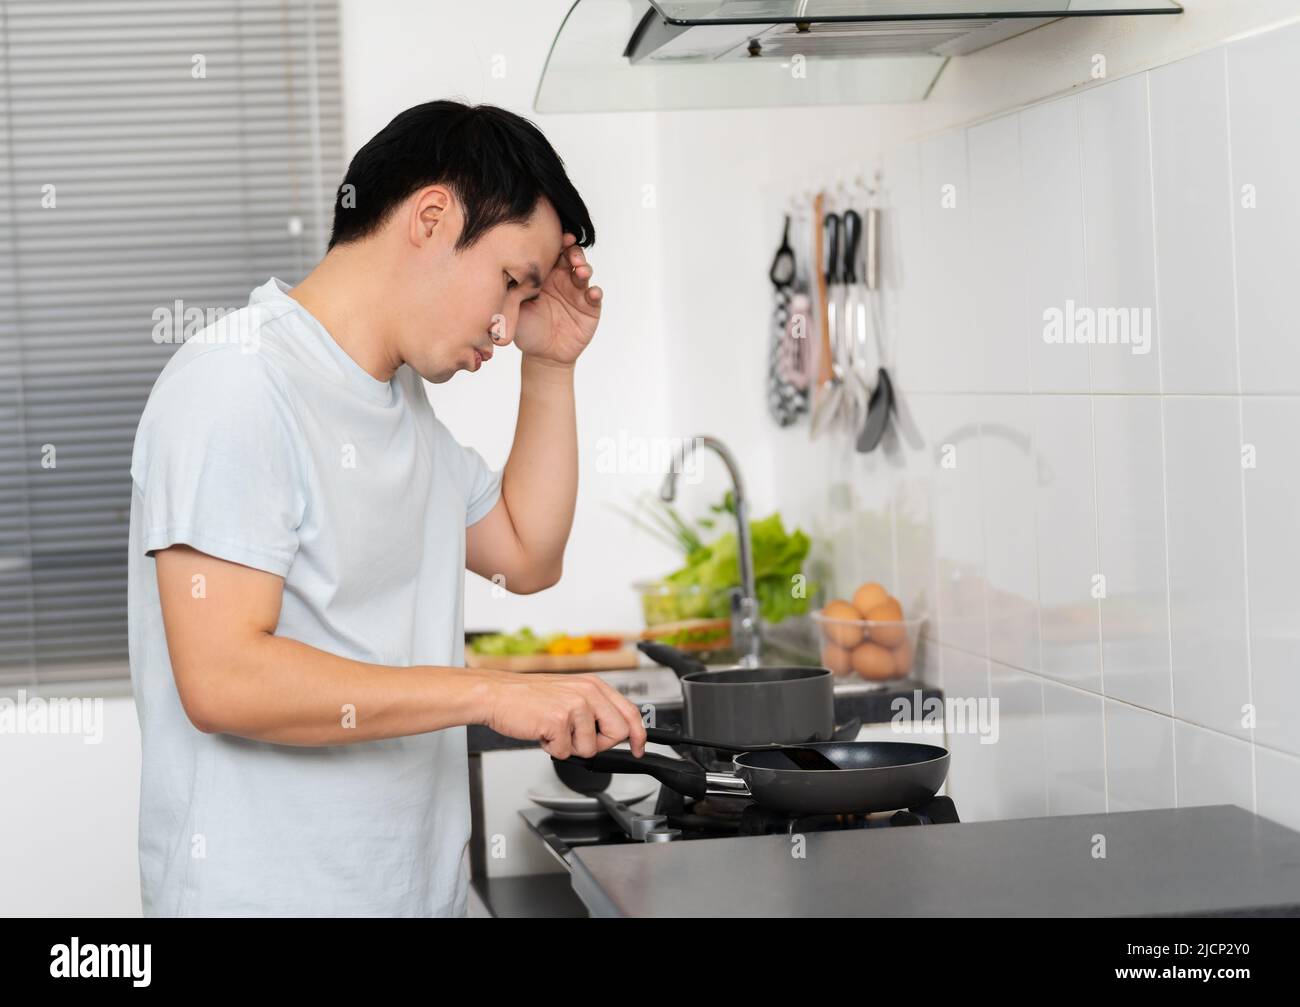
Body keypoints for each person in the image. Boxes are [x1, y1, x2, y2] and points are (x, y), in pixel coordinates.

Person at [126, 99, 648, 917]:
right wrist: (489, 692)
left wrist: (552, 365)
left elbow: (527, 553)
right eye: (511, 281)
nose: (508, 325)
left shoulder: (398, 403)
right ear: (432, 216)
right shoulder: (238, 383)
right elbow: (223, 677)